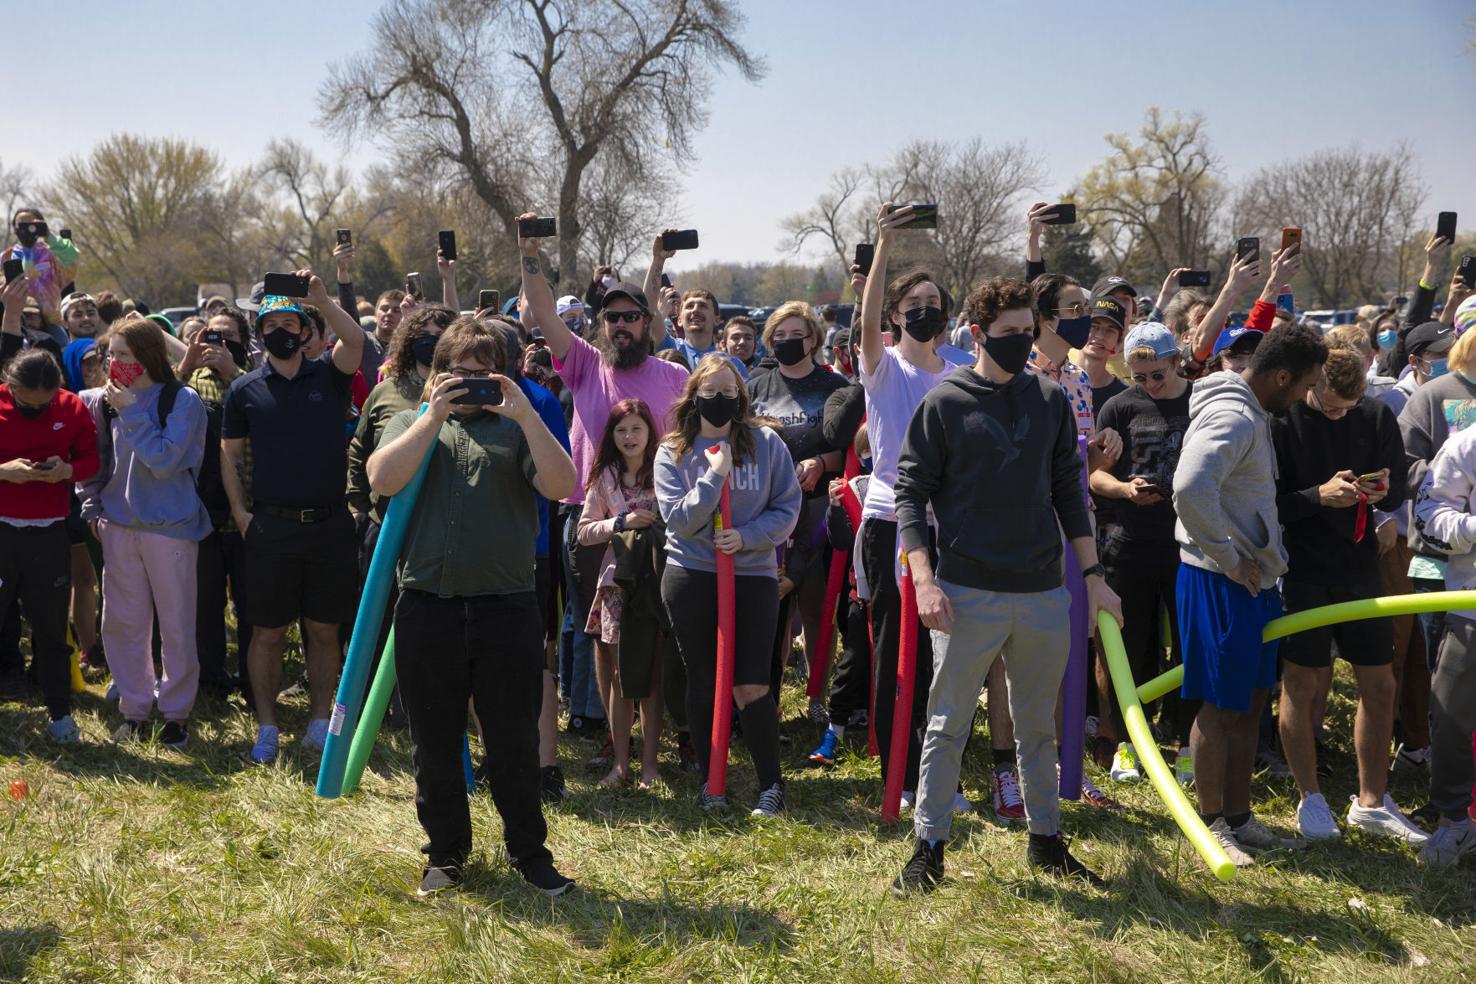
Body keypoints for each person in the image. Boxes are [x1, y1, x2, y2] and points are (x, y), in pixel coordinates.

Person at [890, 276, 1123, 895]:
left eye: (1028, 331)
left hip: (1045, 589)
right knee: (948, 722)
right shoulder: (944, 403)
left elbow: (1066, 492)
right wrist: (924, 579)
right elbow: (910, 493)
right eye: (1008, 334)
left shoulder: (1048, 399)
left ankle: (1046, 839)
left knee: (1038, 724)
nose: (1022, 343)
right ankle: (928, 846)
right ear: (975, 335)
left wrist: (1094, 577)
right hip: (966, 590)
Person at [367, 316, 577, 897]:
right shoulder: (413, 420)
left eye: (484, 374)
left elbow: (562, 485)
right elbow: (381, 478)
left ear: (504, 377)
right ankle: (445, 855)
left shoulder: (516, 430)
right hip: (426, 605)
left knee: (513, 741)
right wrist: (434, 415)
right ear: (437, 375)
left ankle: (530, 854)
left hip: (506, 606)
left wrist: (527, 414)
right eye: (458, 373)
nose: (471, 384)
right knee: (433, 742)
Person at [519, 215, 689, 760]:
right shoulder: (585, 366)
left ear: (647, 323)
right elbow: (542, 312)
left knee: (661, 632)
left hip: (662, 523)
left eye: (630, 317)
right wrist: (529, 253)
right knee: (602, 635)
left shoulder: (673, 378)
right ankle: (617, 740)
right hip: (592, 520)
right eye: (611, 317)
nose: (620, 325)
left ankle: (663, 743)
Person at [1173, 322, 1327, 867]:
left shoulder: (1253, 411)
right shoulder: (1233, 415)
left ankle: (1238, 818)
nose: (1306, 395)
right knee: (1220, 706)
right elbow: (1189, 488)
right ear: (1281, 375)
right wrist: (1228, 557)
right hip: (1220, 580)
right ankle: (1212, 823)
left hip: (1251, 580)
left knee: (1250, 702)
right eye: (1305, 384)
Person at [1270, 347, 1425, 843]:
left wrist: (1382, 492)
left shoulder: (1375, 413)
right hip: (1303, 571)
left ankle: (1372, 801)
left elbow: (1398, 484)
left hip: (1361, 569)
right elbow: (1267, 506)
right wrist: (1318, 496)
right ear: (1310, 385)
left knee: (1380, 685)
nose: (1341, 415)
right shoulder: (1284, 419)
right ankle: (1310, 799)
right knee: (1304, 684)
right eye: (1332, 406)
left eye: (1348, 407)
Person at [856, 202, 973, 814]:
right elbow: (867, 315)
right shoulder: (883, 367)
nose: (924, 311)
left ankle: (941, 777)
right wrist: (884, 245)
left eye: (935, 303)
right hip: (890, 525)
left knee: (947, 657)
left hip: (951, 527)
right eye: (913, 304)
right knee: (895, 653)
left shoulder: (960, 369)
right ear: (896, 317)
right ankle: (898, 775)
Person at [221, 273, 366, 763]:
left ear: (305, 330)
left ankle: (320, 722)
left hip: (329, 525)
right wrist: (240, 512)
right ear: (259, 333)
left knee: (324, 630)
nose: (281, 330)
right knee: (267, 632)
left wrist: (321, 300)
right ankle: (266, 727)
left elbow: (356, 339)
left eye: (291, 322)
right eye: (272, 324)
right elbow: (229, 455)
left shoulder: (330, 374)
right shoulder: (243, 390)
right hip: (270, 527)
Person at [656, 355, 801, 814]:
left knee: (749, 682)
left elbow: (787, 508)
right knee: (703, 679)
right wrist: (713, 475)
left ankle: (770, 785)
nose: (718, 401)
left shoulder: (766, 444)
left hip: (752, 573)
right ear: (694, 397)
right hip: (692, 573)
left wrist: (748, 538)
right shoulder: (674, 450)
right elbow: (678, 519)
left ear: (740, 397)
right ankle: (709, 781)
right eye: (709, 393)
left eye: (727, 393)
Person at [78, 317, 211, 748]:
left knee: (176, 624)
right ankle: (134, 709)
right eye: (110, 354)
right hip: (117, 527)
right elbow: (93, 463)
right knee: (121, 623)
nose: (114, 363)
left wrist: (133, 411)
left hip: (170, 529)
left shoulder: (182, 400)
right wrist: (93, 510)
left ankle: (176, 714)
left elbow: (165, 462)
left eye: (123, 355)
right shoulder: (101, 402)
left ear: (148, 356)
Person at [1090, 323, 1197, 785]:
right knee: (1129, 646)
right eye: (1140, 377)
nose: (1151, 385)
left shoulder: (1200, 400)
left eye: (1157, 374)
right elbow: (1094, 477)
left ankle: (1189, 743)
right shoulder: (1119, 406)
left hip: (1189, 543)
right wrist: (1126, 488)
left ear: (1176, 361)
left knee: (1191, 645)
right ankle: (1130, 743)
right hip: (1130, 539)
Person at [747, 302, 848, 704]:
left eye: (797, 335)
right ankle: (766, 700)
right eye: (780, 337)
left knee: (817, 608)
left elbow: (851, 451)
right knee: (773, 608)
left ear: (814, 339)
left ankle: (817, 699)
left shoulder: (833, 385)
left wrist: (821, 462)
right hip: (766, 512)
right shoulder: (755, 385)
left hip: (819, 510)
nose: (788, 343)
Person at [0, 336, 100, 742]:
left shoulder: (71, 406)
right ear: (10, 383)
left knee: (51, 628)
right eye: (27, 404)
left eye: (44, 405)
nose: (36, 410)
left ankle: (60, 715)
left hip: (49, 531)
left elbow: (92, 460)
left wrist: (66, 470)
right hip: (3, 528)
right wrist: (4, 471)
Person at [577, 399, 666, 788]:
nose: (630, 437)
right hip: (616, 585)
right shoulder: (605, 477)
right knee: (618, 676)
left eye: (636, 428)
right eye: (621, 430)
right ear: (611, 437)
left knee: (651, 676)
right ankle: (620, 765)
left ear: (649, 431)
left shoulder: (665, 471)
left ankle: (650, 766)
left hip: (657, 583)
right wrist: (620, 522)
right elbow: (583, 531)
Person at [1410, 425, 1476, 865]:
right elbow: (1429, 514)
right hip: (1470, 606)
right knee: (1450, 715)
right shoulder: (1468, 442)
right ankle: (1455, 822)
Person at [182, 306, 254, 701]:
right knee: (205, 603)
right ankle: (210, 680)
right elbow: (160, 403)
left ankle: (250, 680)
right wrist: (185, 364)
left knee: (249, 604)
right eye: (212, 335)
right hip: (204, 510)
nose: (219, 343)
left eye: (228, 337)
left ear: (244, 342)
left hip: (248, 509)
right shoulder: (191, 380)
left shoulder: (255, 379)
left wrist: (234, 374)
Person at [5, 209, 79, 324]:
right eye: (21, 224)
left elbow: (72, 256)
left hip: (50, 321)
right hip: (17, 320)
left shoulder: (51, 253)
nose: (27, 228)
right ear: (15, 228)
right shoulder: (6, 257)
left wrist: (49, 236)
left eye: (31, 224)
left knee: (61, 341)